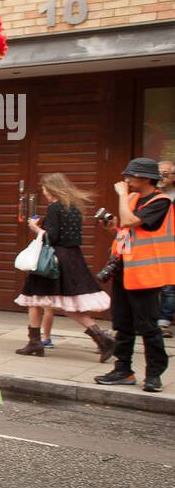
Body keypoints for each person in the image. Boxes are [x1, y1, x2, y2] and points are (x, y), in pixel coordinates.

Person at [13, 173, 114, 360]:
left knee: (34, 298)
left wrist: (35, 228)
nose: (43, 192)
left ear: (51, 189)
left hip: (52, 260)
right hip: (73, 258)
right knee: (69, 305)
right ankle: (101, 338)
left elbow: (52, 236)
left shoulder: (54, 208)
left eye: (44, 189)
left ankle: (35, 342)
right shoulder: (74, 208)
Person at [94, 158, 172, 393]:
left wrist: (121, 193)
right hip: (123, 270)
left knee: (148, 326)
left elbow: (130, 220)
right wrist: (112, 229)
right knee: (123, 324)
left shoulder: (161, 201)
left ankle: (154, 374)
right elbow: (126, 229)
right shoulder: (132, 199)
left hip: (146, 273)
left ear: (146, 178)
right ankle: (123, 370)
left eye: (131, 176)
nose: (126, 179)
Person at [159, 159, 175, 338]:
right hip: (153, 245)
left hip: (172, 244)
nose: (161, 177)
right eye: (159, 173)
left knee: (169, 286)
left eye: (166, 173)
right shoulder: (150, 195)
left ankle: (163, 322)